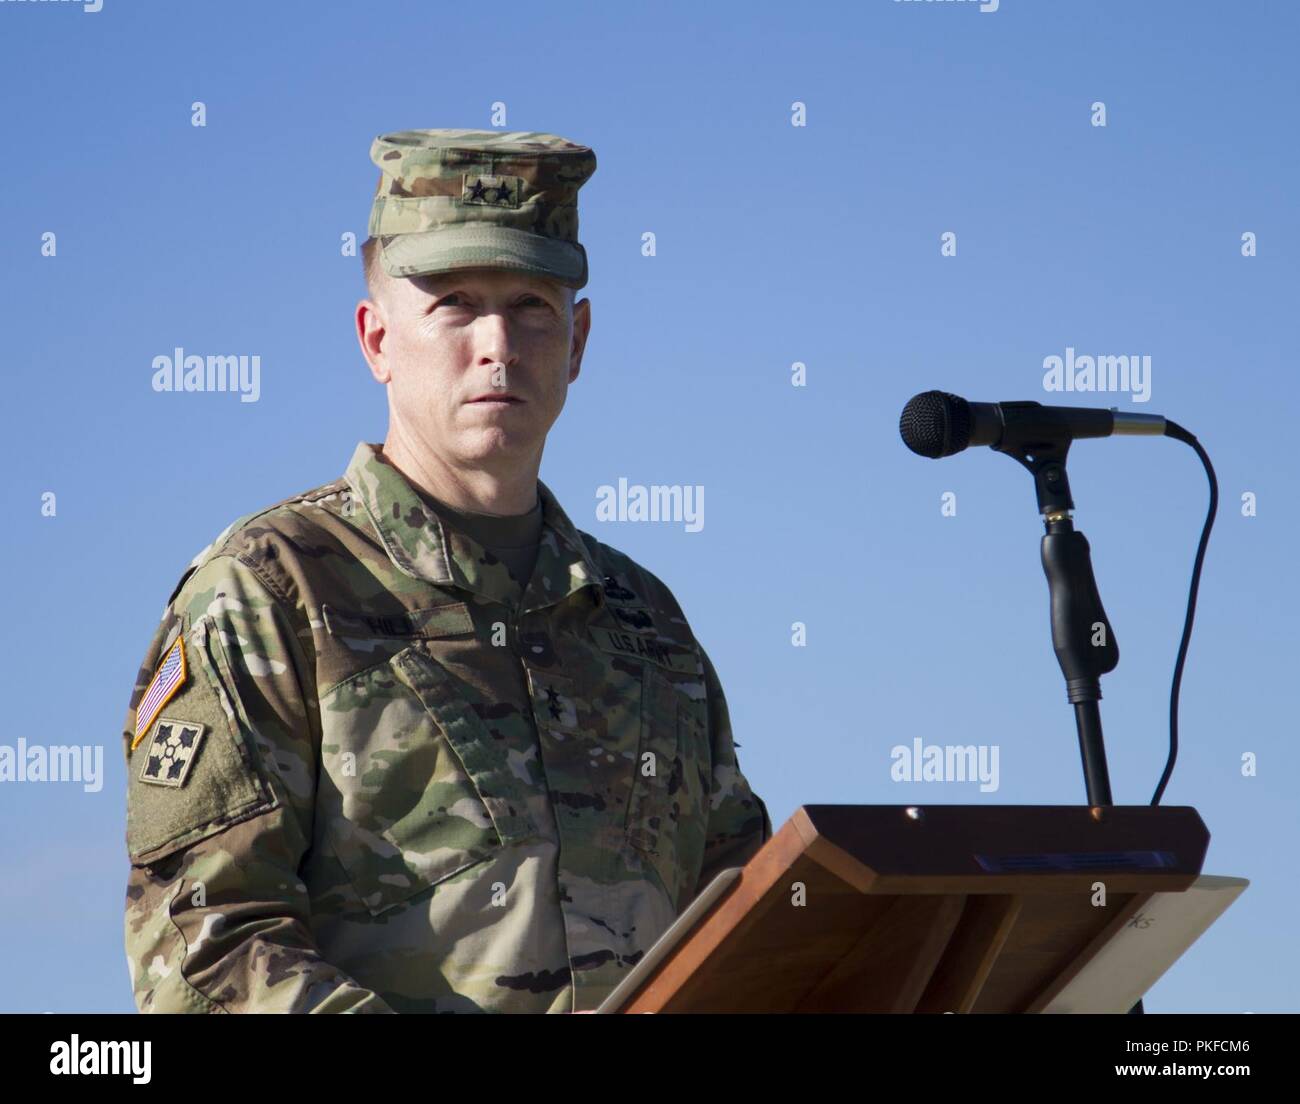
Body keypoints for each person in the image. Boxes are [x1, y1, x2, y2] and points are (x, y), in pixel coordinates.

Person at [121, 128, 771, 1014]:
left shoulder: (645, 623)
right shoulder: (268, 592)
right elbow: (203, 948)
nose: (498, 343)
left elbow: (743, 920)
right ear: (377, 339)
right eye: (456, 304)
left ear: (577, 341)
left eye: (532, 305)